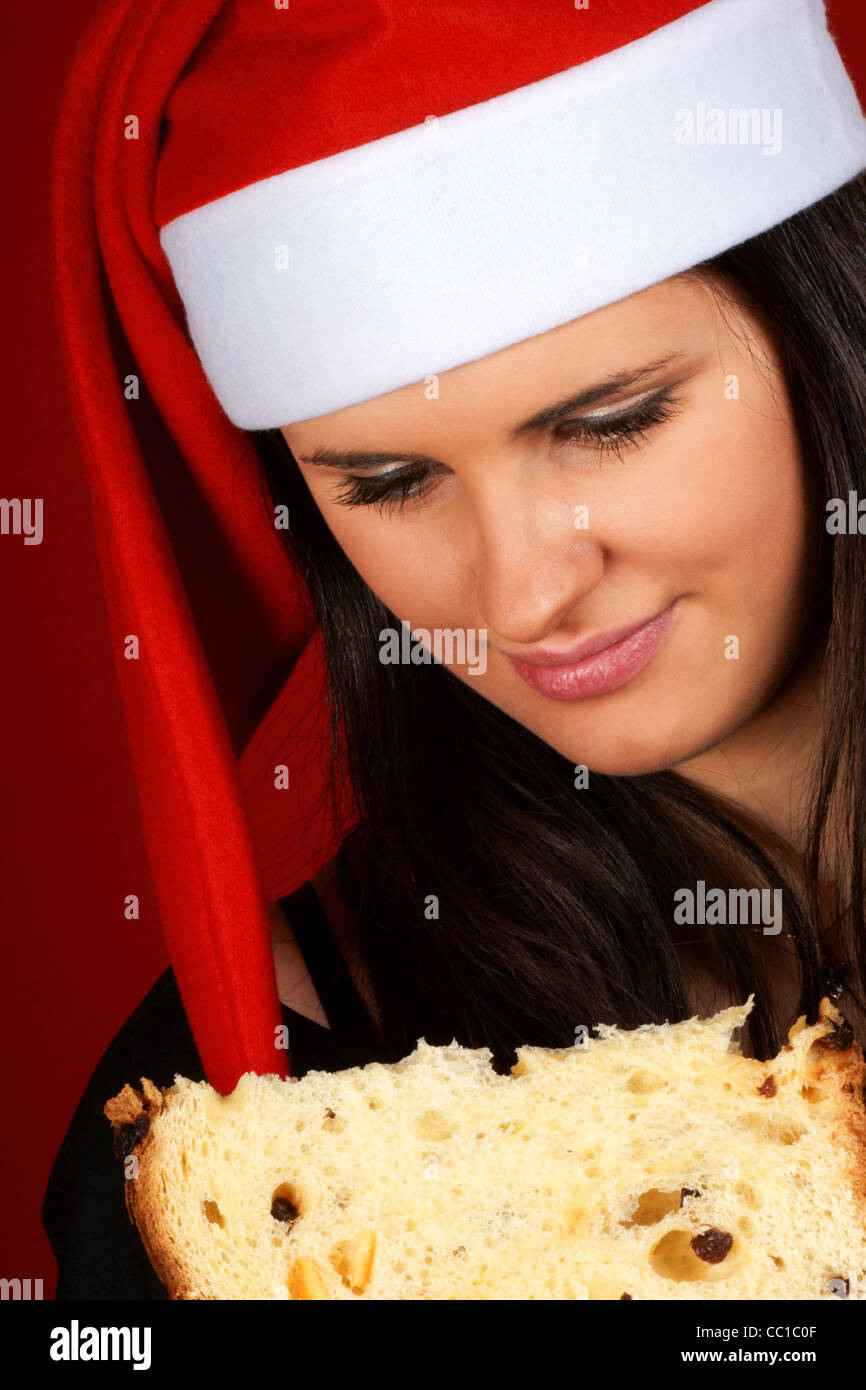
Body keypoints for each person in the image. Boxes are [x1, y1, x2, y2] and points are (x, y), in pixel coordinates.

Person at [43, 0, 866, 1298]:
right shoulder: (265, 1120)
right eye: (386, 480)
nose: (524, 590)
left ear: (827, 323)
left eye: (609, 422)